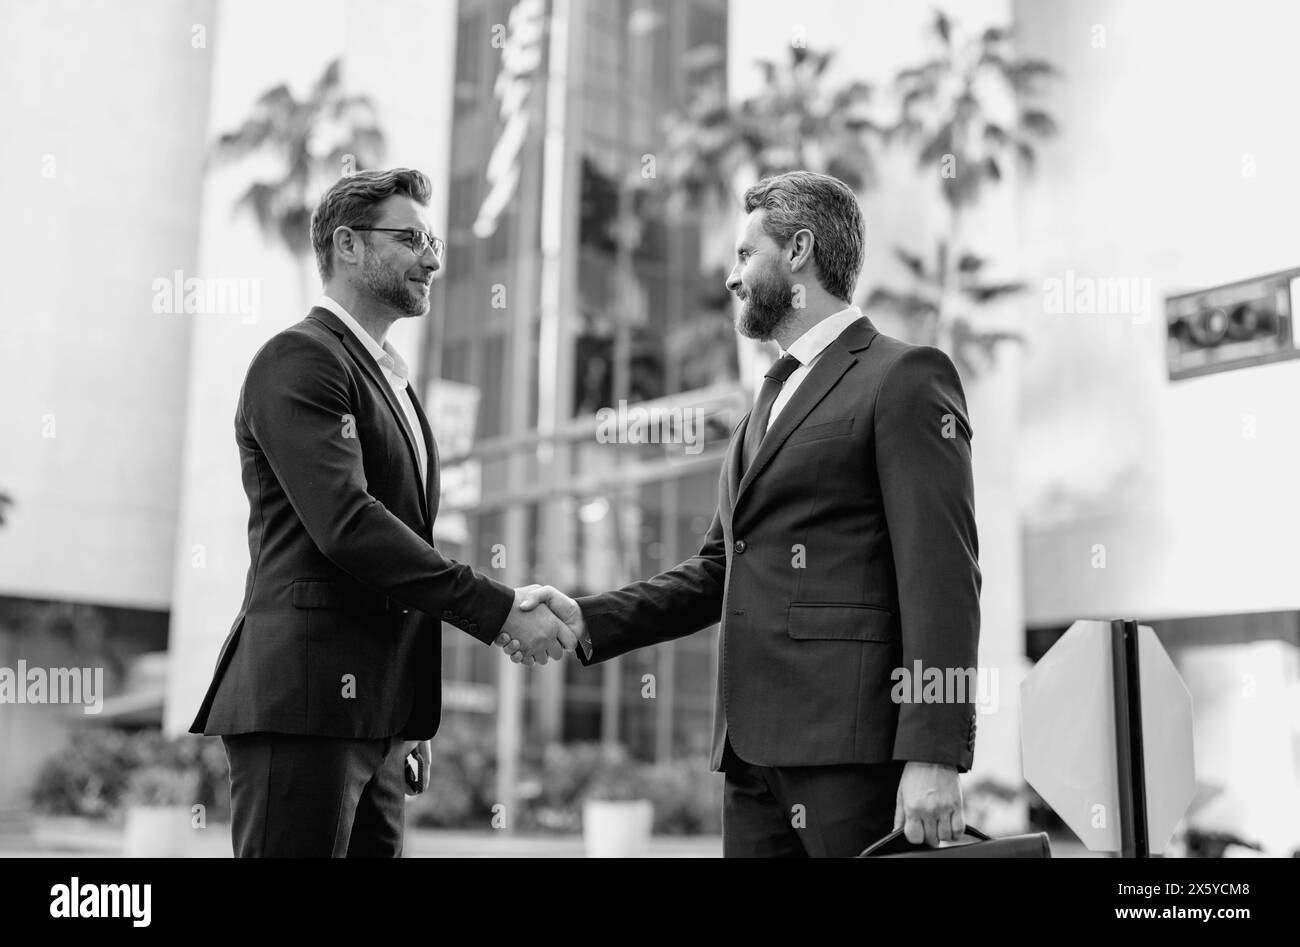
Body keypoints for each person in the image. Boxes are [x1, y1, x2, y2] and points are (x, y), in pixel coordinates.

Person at [511, 170, 982, 857]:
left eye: (743, 254)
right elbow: (716, 571)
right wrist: (588, 617)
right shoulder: (765, 403)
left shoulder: (904, 377)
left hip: (852, 756)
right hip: (750, 759)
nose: (732, 278)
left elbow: (942, 576)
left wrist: (934, 752)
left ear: (798, 250)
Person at [189, 168, 573, 857]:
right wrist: (497, 609)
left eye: (434, 243)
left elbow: (401, 545)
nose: (432, 259)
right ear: (349, 245)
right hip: (305, 707)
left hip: (381, 722)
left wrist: (405, 716)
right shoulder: (299, 359)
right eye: (411, 239)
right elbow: (350, 526)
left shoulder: (392, 382)